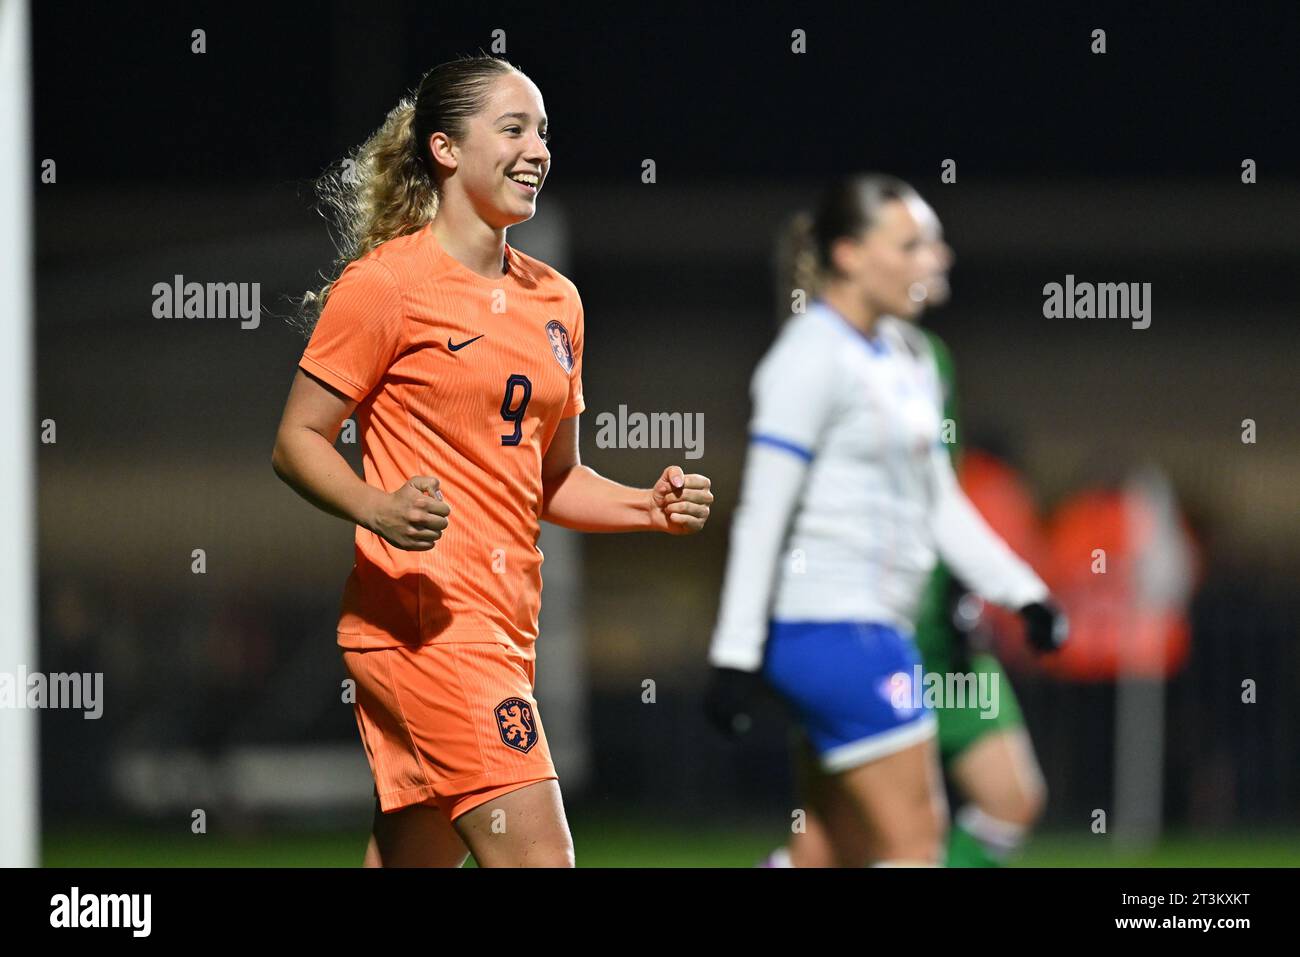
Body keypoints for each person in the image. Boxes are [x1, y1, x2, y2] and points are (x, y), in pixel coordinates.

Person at [272, 54, 713, 867]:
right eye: (513, 128)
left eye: (544, 130)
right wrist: (377, 507)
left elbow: (554, 480)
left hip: (504, 625)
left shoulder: (557, 302)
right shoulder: (387, 287)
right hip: (426, 629)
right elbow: (295, 438)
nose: (538, 147)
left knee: (415, 856)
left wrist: (646, 506)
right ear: (445, 149)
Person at [703, 174, 1066, 866]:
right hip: (836, 631)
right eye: (913, 244)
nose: (938, 258)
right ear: (848, 254)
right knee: (914, 840)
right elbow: (762, 516)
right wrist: (734, 651)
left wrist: (1023, 591)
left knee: (829, 850)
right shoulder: (809, 354)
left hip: (870, 629)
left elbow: (940, 503)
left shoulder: (904, 357)